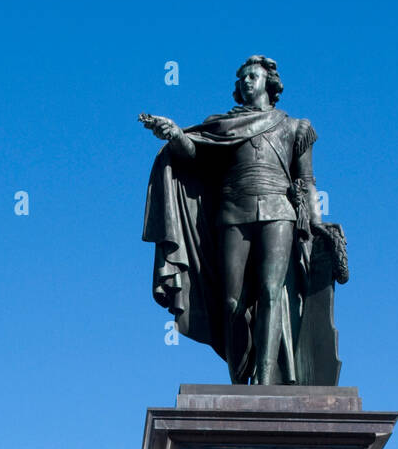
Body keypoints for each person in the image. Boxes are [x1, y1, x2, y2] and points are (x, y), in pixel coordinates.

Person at [141, 55, 348, 386]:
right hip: (233, 213)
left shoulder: (295, 128)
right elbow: (194, 154)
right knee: (232, 300)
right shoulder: (224, 126)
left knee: (270, 291)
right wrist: (175, 134)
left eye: (253, 76)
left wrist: (318, 220)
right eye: (242, 79)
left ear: (269, 82)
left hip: (279, 212)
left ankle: (265, 380)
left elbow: (306, 180)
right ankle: (240, 383)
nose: (247, 82)